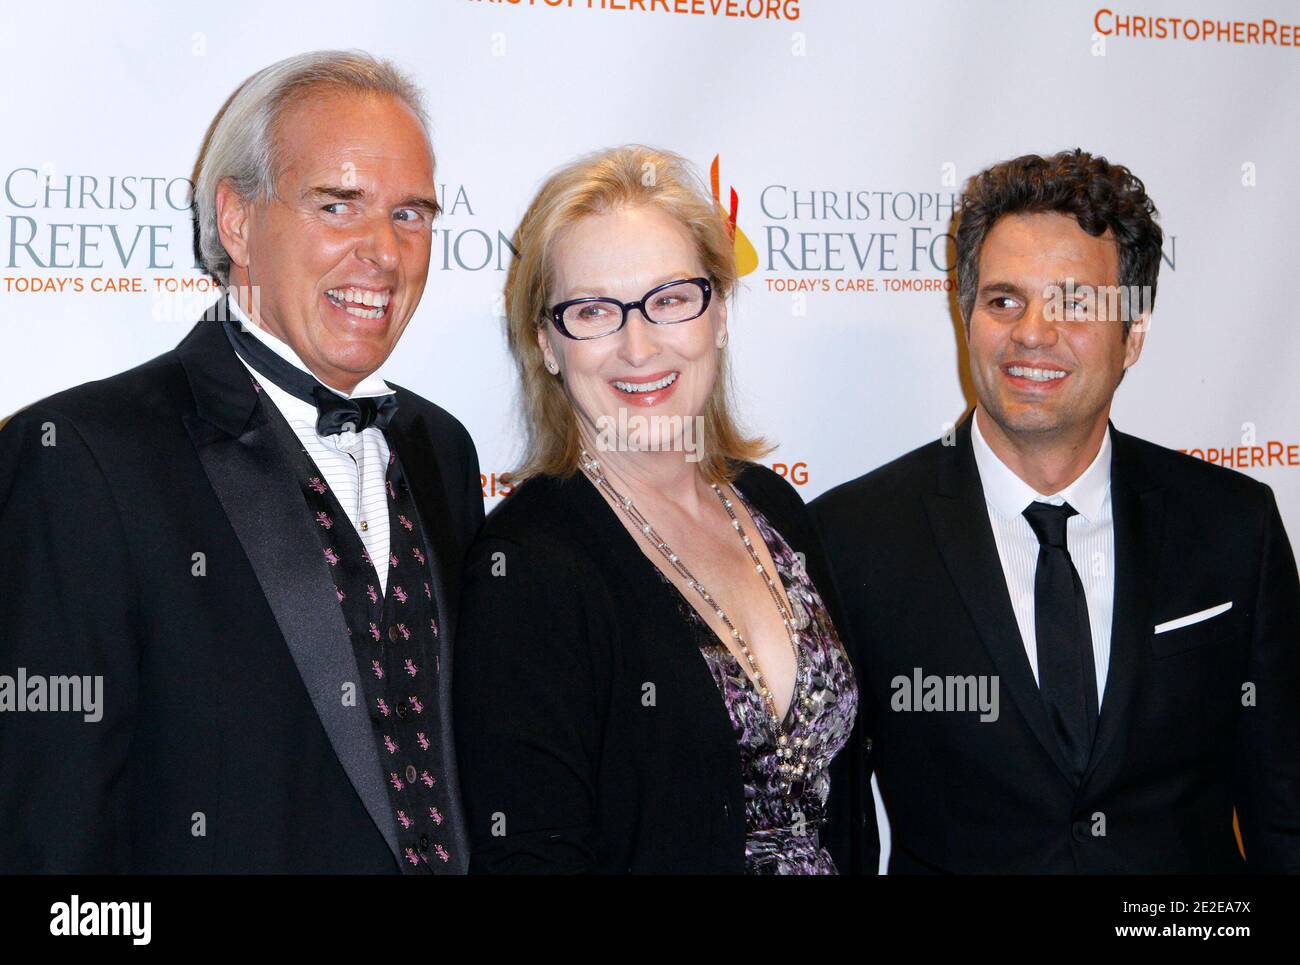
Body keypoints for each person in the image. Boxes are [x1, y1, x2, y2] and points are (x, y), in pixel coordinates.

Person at [0, 51, 482, 873]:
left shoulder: (441, 448)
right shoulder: (82, 458)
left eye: (411, 215)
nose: (384, 253)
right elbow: (53, 852)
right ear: (236, 220)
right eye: (339, 205)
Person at [813, 149, 1300, 873]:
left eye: (1074, 303)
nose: (1032, 332)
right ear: (967, 317)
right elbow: (836, 829)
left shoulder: (1234, 525)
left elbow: (1285, 814)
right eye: (1004, 300)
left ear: (1132, 335)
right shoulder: (852, 540)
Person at [453, 145, 871, 874]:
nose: (639, 345)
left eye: (671, 299)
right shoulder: (526, 566)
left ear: (718, 313)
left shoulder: (772, 506)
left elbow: (844, 804)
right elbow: (532, 855)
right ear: (547, 344)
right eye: (593, 311)